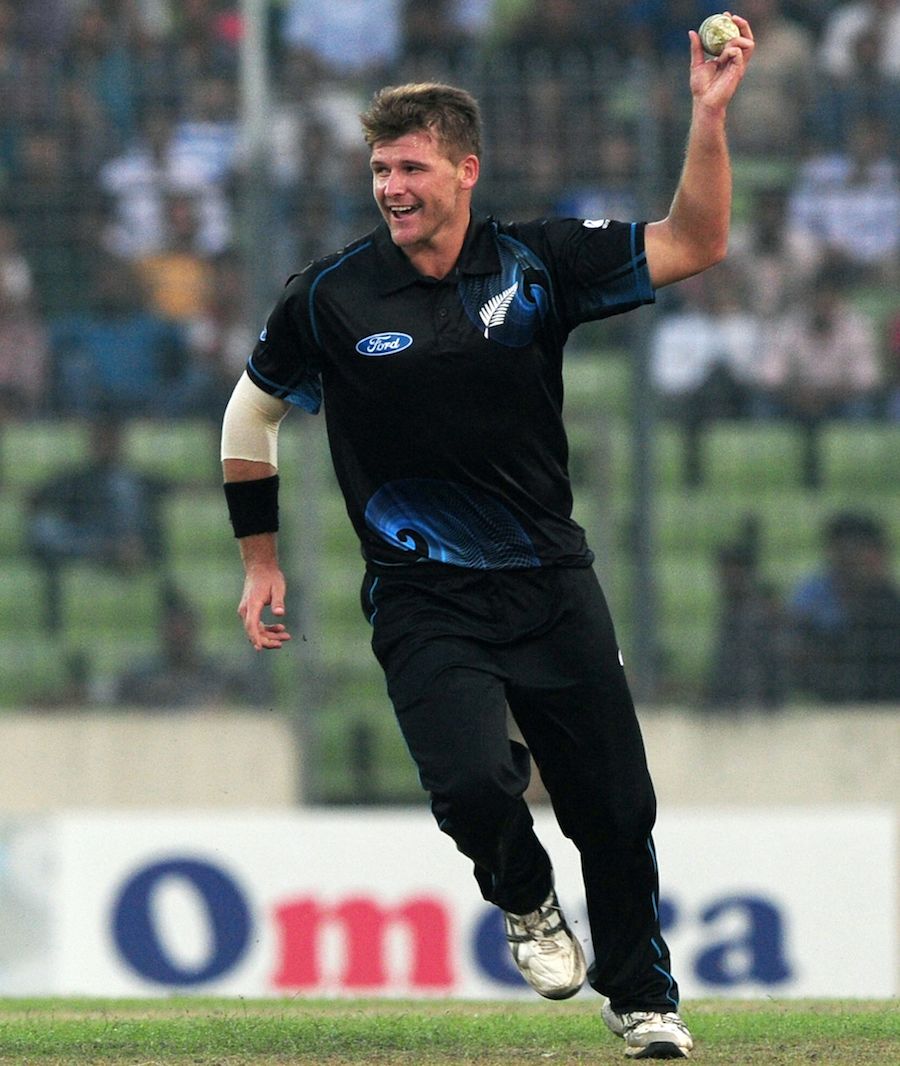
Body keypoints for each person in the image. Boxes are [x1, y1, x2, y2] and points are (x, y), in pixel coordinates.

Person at [221, 18, 754, 1060]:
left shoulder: (538, 262)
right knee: (471, 783)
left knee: (616, 808)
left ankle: (644, 998)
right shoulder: (330, 295)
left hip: (550, 580)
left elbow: (696, 243)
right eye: (381, 169)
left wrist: (708, 114)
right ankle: (524, 895)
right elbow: (251, 414)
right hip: (422, 595)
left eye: (411, 167)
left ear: (466, 170)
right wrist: (260, 561)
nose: (391, 187)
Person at [787, 511, 900, 704]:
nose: (850, 560)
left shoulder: (887, 600)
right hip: (828, 686)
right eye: (843, 550)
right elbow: (794, 638)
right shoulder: (815, 591)